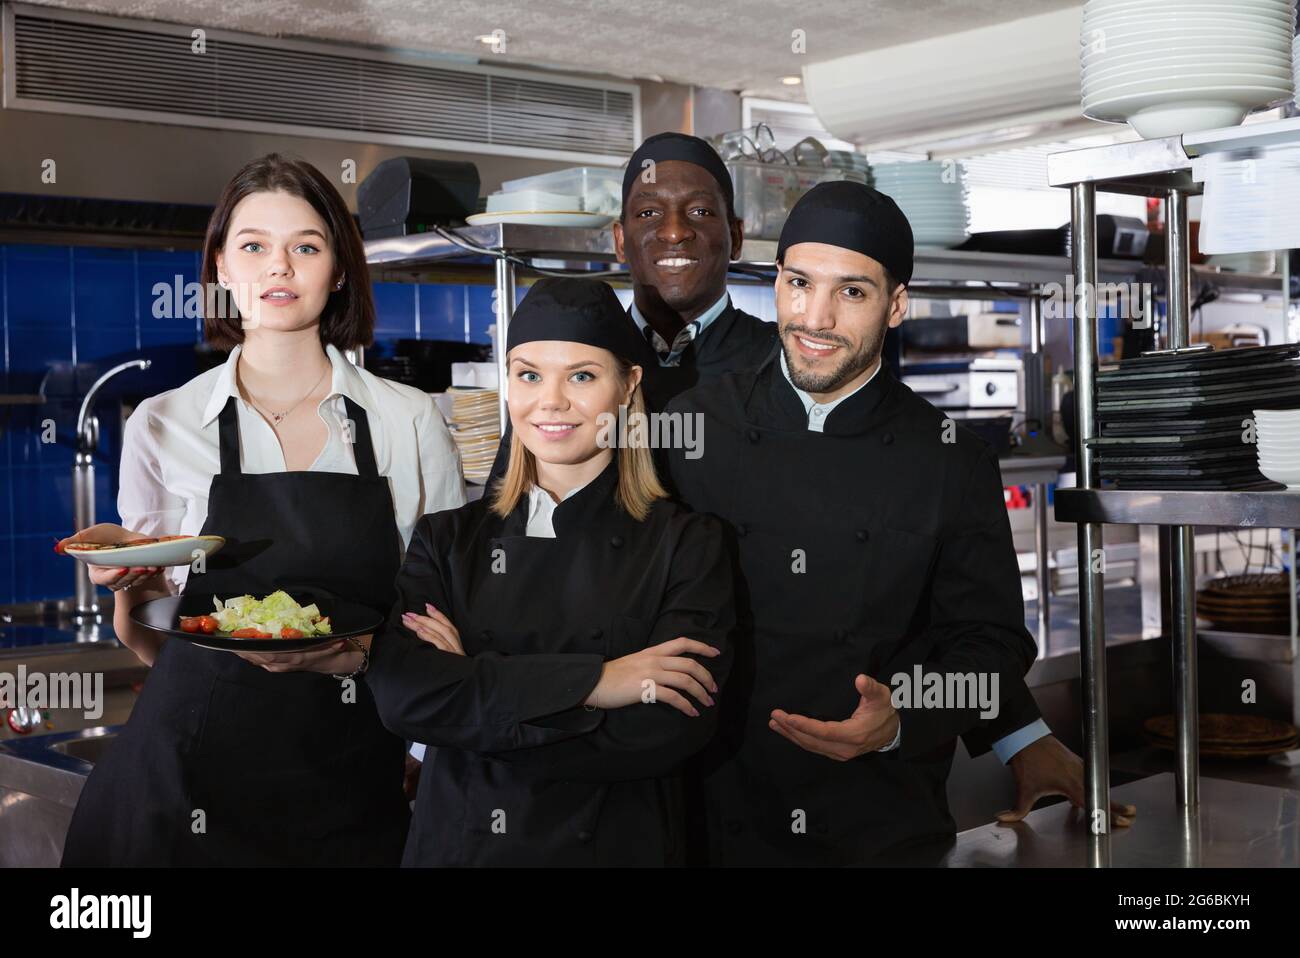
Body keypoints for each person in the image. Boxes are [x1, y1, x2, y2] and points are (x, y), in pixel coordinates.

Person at [664, 181, 1135, 866]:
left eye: (851, 292)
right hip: (707, 816)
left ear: (897, 306)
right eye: (799, 284)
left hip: (877, 824)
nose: (815, 317)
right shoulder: (690, 427)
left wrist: (902, 720)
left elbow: (987, 646)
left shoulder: (950, 459)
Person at [58, 153, 465, 866]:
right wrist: (136, 590)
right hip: (181, 779)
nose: (279, 268)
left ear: (338, 268)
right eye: (253, 246)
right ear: (220, 266)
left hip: (351, 777)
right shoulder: (163, 422)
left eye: (305, 247)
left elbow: (441, 618)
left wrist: (419, 738)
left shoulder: (408, 422)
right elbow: (157, 634)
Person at [349, 277, 736, 866]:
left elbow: (665, 731)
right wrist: (598, 682)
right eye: (528, 374)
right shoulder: (446, 539)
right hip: (460, 849)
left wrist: (471, 694)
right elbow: (404, 701)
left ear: (628, 384)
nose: (549, 401)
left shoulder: (687, 544)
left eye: (581, 375)